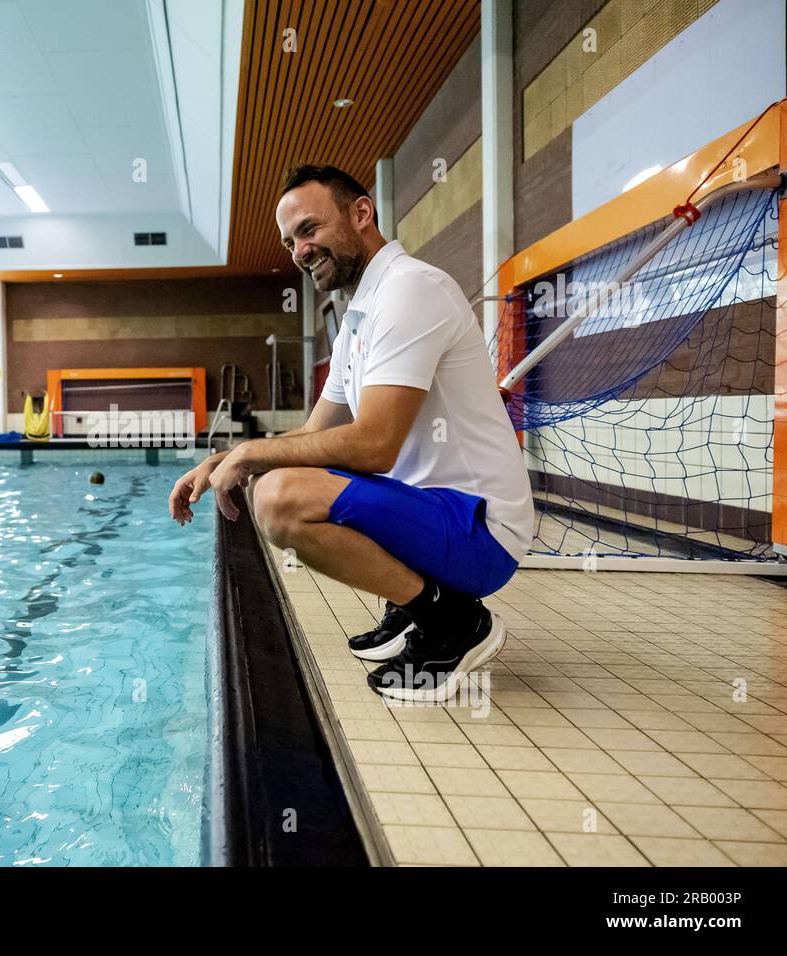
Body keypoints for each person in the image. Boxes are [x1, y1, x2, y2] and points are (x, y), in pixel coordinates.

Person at [169, 165, 534, 704]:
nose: (299, 250)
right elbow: (314, 438)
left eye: (309, 229)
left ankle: (451, 622)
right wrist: (228, 455)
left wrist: (252, 457)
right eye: (290, 240)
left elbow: (374, 445)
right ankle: (412, 602)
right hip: (431, 513)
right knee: (282, 476)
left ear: (361, 213)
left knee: (280, 498)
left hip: (479, 530)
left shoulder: (411, 290)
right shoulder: (359, 317)